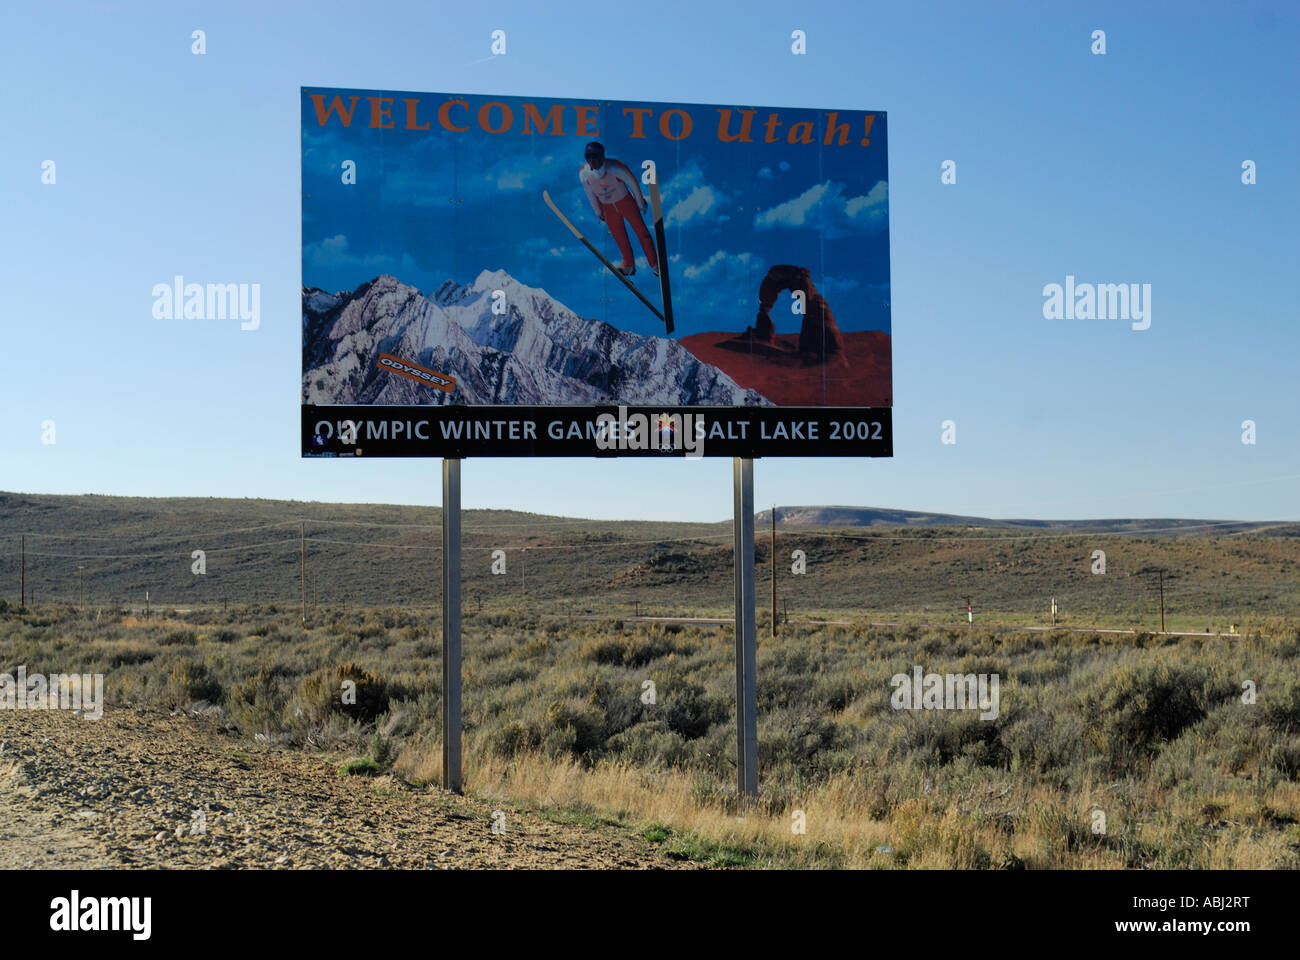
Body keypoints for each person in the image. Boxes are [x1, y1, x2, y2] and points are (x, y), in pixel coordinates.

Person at [578, 142, 658, 277]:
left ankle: (655, 265)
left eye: (595, 157)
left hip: (625, 202)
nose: (592, 161)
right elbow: (590, 194)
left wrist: (640, 203)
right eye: (588, 157)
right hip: (608, 207)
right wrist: (598, 212)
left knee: (641, 232)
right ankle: (628, 265)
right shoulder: (584, 174)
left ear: (602, 157)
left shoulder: (615, 168)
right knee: (619, 237)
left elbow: (632, 183)